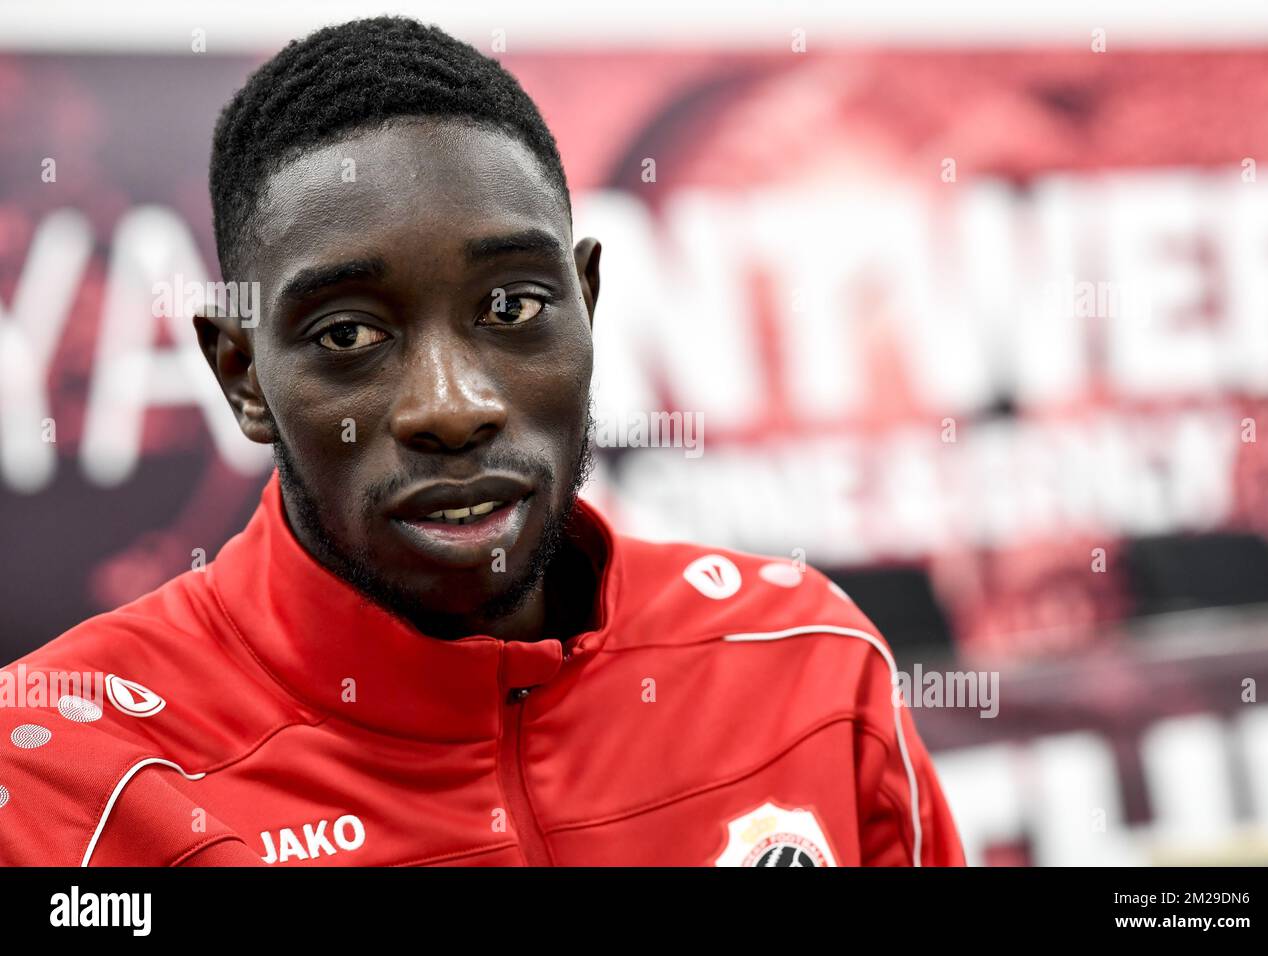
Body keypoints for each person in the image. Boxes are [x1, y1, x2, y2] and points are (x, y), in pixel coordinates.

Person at [0, 16, 964, 867]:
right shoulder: (62, 772)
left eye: (512, 307)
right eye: (348, 332)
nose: (451, 408)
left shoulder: (802, 656)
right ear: (243, 377)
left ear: (588, 303)